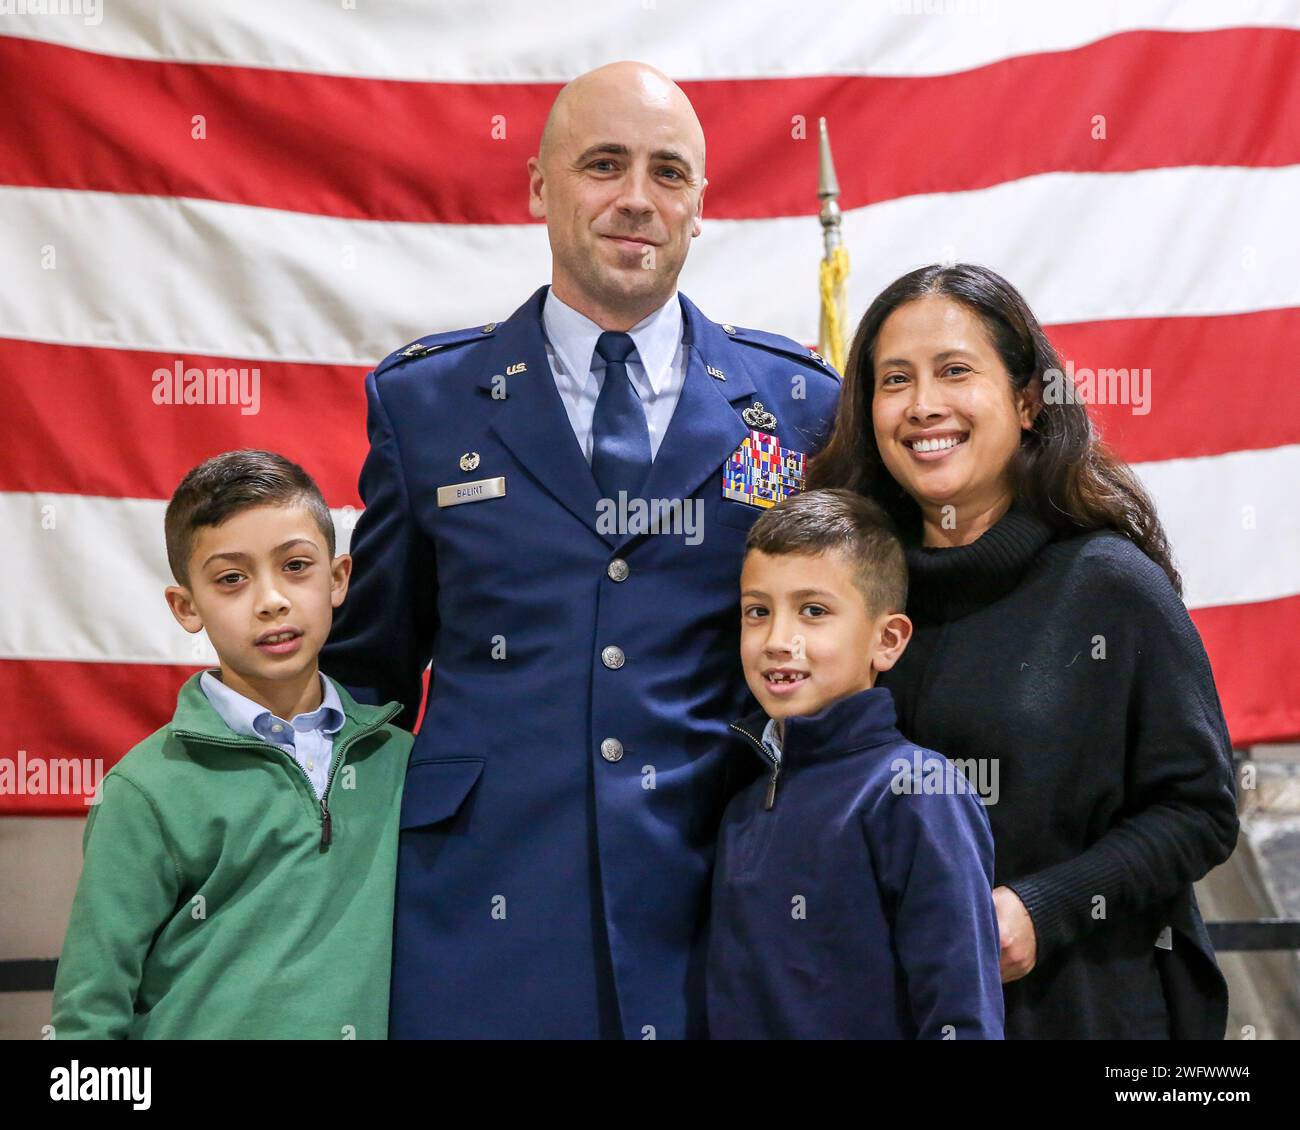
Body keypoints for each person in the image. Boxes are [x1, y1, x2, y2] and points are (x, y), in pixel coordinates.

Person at [320, 61, 841, 1039]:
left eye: (667, 173)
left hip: (712, 905)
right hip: (478, 911)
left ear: (699, 206)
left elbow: (828, 666)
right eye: (603, 165)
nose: (636, 199)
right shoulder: (427, 404)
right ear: (538, 185)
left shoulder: (797, 406)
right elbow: (370, 679)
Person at [809, 263, 1239, 1039]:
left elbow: (1199, 811)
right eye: (895, 379)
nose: (923, 405)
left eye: (955, 371)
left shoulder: (1108, 584)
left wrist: (1043, 909)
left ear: (1029, 400)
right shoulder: (848, 586)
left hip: (1076, 1012)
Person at [50, 450, 412, 1039]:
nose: (271, 599)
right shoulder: (146, 789)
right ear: (186, 607)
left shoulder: (398, 760)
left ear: (339, 578)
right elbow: (87, 1016)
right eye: (231, 579)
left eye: (296, 566)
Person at [707, 488, 1003, 1039]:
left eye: (813, 611)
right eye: (757, 612)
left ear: (887, 640)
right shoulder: (744, 804)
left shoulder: (916, 791)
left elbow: (962, 1014)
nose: (778, 641)